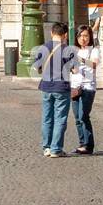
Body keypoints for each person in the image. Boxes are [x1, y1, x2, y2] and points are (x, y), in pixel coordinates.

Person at [31, 22, 76, 158]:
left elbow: (36, 68)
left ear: (51, 33)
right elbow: (75, 69)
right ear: (65, 35)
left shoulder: (43, 48)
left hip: (46, 87)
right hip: (61, 87)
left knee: (47, 118)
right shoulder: (68, 49)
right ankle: (56, 148)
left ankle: (47, 147)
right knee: (60, 118)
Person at [71, 26, 99, 155]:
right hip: (75, 87)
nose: (83, 38)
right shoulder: (73, 50)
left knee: (83, 115)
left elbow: (94, 64)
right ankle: (82, 143)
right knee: (77, 117)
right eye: (80, 35)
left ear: (90, 37)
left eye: (86, 35)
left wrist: (80, 60)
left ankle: (89, 145)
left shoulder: (94, 50)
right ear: (77, 37)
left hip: (88, 87)